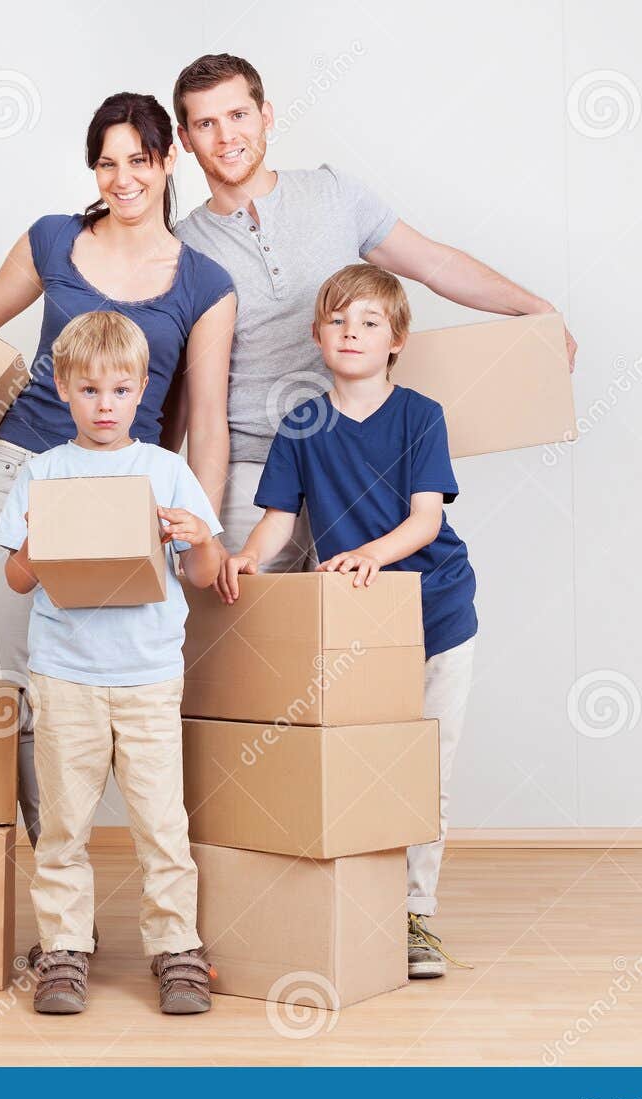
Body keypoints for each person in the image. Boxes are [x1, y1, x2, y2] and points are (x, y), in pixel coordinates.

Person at [0, 93, 235, 845]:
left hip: (128, 495)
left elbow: (208, 420)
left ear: (167, 162)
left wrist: (206, 531)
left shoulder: (206, 283)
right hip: (25, 471)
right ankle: (59, 877)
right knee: (35, 682)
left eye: (138, 160)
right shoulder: (52, 240)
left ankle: (128, 862)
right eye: (105, 162)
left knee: (117, 684)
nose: (122, 178)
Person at [170, 52, 577, 569]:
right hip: (253, 471)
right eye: (206, 123)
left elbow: (434, 262)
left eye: (238, 115)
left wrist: (535, 309)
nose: (227, 136)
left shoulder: (333, 193)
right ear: (185, 140)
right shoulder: (181, 248)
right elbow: (184, 395)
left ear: (266, 115)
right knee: (251, 638)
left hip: (361, 459)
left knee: (367, 637)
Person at [219, 265, 477, 979]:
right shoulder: (303, 423)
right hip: (356, 624)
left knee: (426, 769)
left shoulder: (419, 415)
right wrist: (244, 557)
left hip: (437, 613)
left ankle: (415, 915)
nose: (352, 333)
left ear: (396, 339)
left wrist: (368, 552)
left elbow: (427, 520)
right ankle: (359, 902)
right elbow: (279, 519)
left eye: (368, 322)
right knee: (361, 766)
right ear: (316, 335)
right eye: (338, 321)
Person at [0, 311, 223, 1015]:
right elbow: (17, 579)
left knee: (161, 821)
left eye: (120, 390)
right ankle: (63, 947)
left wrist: (196, 537)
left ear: (143, 389)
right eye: (89, 390)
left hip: (149, 675)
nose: (104, 405)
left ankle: (176, 944)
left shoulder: (165, 470)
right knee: (63, 823)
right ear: (63, 388)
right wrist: (36, 544)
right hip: (66, 676)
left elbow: (207, 572)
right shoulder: (44, 471)